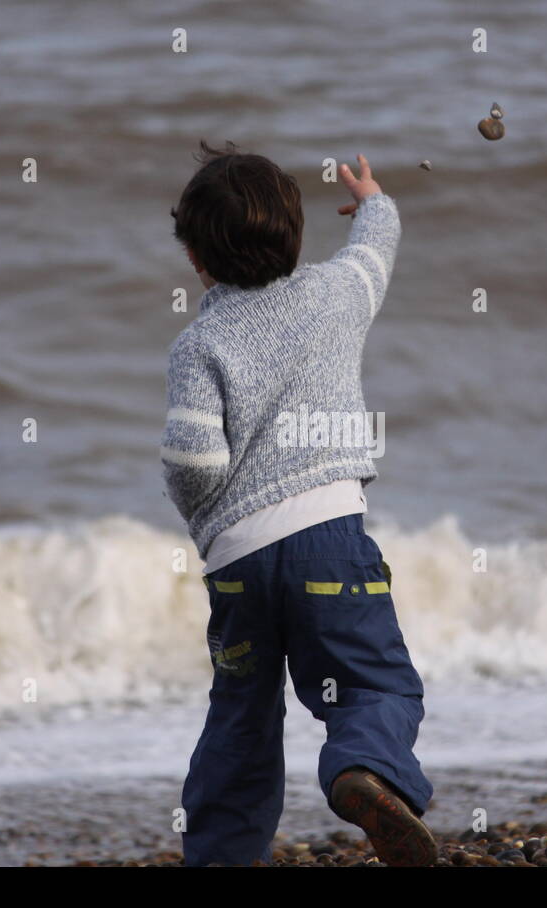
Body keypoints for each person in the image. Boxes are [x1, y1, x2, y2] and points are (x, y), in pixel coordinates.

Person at [161, 141, 436, 866]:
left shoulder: (198, 344)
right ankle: (363, 770)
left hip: (239, 565)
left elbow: (192, 462)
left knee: (240, 720)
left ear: (196, 258)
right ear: (296, 234)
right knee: (373, 683)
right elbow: (377, 249)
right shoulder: (337, 295)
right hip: (330, 544)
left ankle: (220, 854)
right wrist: (374, 200)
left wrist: (206, 516)